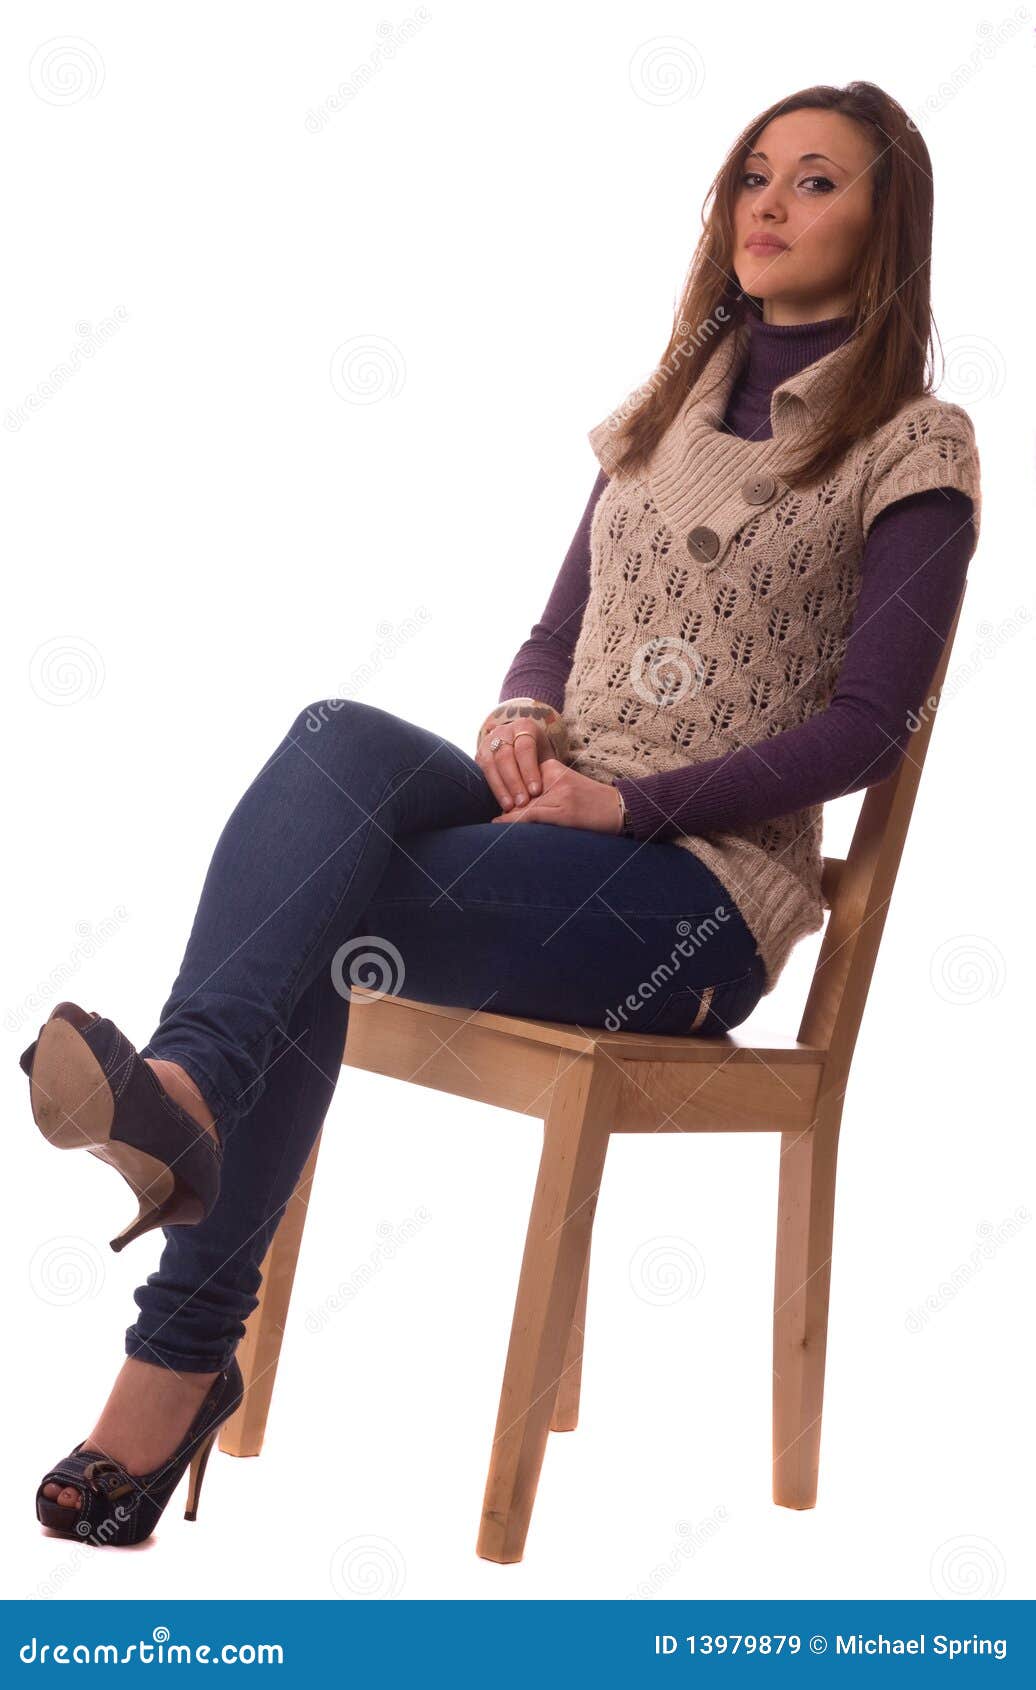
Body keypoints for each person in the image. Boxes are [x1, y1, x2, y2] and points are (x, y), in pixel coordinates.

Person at [26, 79, 981, 1546]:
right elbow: (555, 633)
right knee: (336, 735)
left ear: (887, 225)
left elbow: (870, 730)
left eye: (816, 181)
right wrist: (521, 719)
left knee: (320, 914)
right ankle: (194, 1098)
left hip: (696, 899)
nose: (769, 203)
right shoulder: (667, 405)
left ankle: (168, 1348)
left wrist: (630, 804)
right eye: (753, 176)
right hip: (552, 815)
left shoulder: (915, 445)